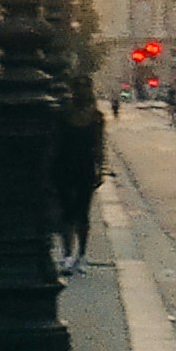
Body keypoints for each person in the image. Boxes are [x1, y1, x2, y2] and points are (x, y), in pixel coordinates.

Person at [53, 73, 105, 277]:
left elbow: (100, 145)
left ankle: (81, 255)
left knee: (82, 213)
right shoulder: (63, 114)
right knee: (66, 212)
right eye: (78, 87)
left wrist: (101, 168)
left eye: (84, 88)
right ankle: (67, 254)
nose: (81, 92)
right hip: (64, 165)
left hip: (85, 166)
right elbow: (55, 142)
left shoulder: (96, 117)